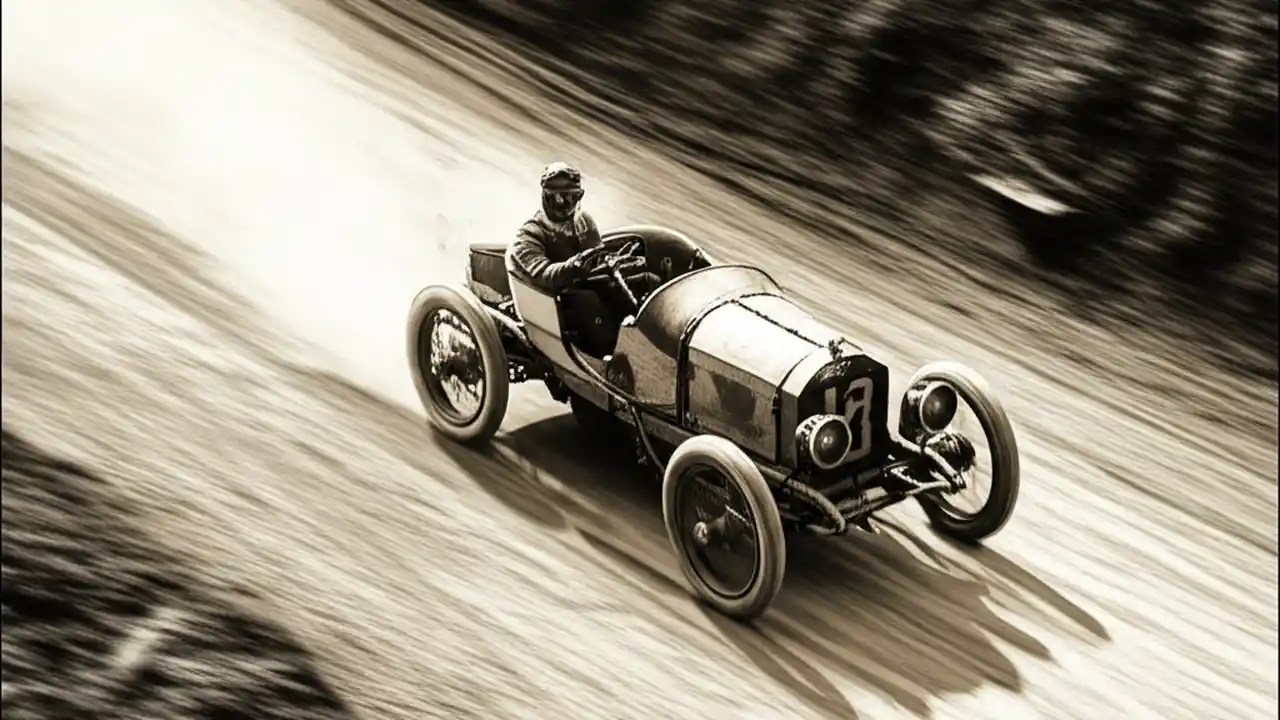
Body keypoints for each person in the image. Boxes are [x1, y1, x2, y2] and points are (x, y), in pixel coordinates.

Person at [508, 162, 659, 354]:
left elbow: (599, 261)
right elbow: (545, 275)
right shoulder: (528, 236)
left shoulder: (584, 223)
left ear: (579, 196)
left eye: (570, 197)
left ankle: (652, 342)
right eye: (556, 198)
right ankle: (607, 354)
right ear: (544, 196)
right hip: (555, 302)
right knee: (588, 300)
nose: (562, 204)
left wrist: (620, 261)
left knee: (647, 281)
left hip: (584, 284)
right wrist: (576, 264)